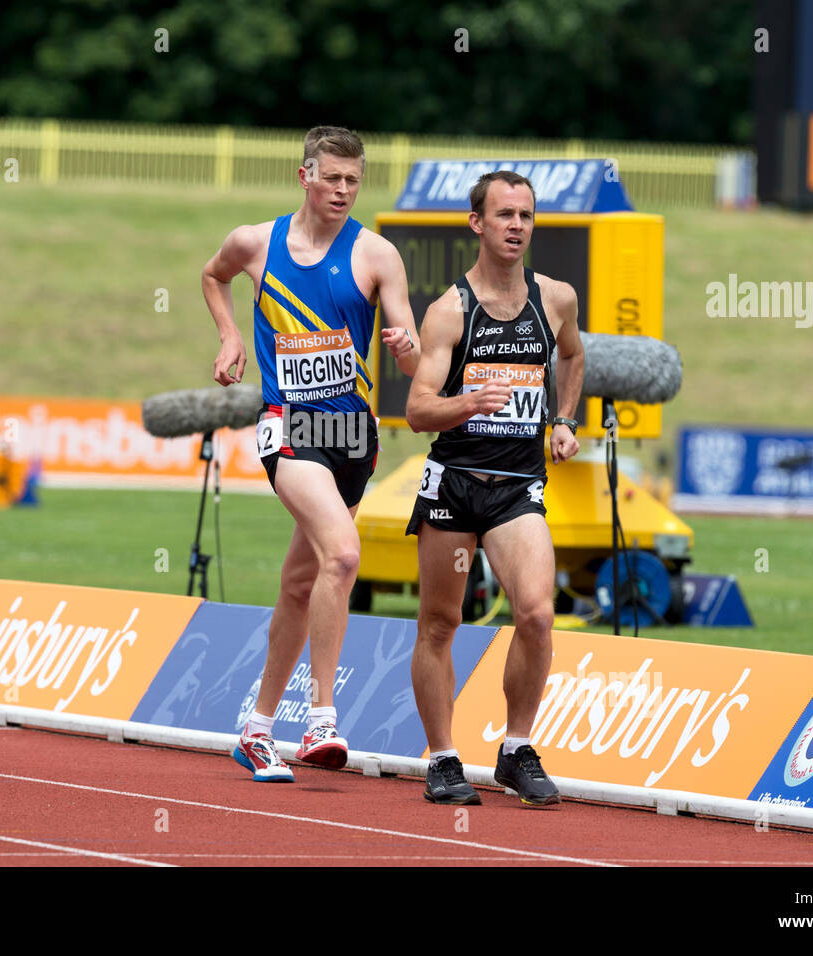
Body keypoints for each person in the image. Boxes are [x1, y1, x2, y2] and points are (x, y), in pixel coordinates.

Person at [201, 126, 421, 782]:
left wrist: (406, 349)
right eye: (333, 179)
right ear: (306, 176)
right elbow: (212, 277)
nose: (344, 192)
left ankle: (256, 728)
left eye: (354, 181)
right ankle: (321, 718)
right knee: (346, 552)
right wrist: (230, 335)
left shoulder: (377, 255)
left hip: (353, 438)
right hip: (287, 428)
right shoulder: (255, 243)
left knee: (302, 582)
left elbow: (405, 327)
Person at [404, 170, 584, 806]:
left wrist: (562, 420)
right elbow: (418, 410)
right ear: (477, 223)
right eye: (504, 215)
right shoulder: (450, 311)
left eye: (526, 216)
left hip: (517, 487)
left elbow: (571, 355)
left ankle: (515, 747)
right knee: (440, 622)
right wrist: (469, 400)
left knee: (536, 614)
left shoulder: (555, 299)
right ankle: (444, 758)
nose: (516, 226)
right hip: (454, 484)